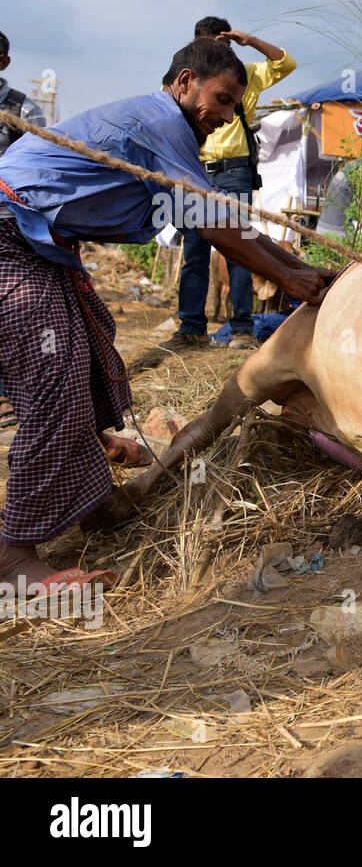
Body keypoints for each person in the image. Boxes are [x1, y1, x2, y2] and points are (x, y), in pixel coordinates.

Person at [0, 38, 334, 592]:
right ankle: (12, 557)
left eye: (234, 107)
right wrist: (291, 279)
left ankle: (91, 496)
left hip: (43, 244)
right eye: (222, 99)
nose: (225, 116)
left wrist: (298, 267)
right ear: (183, 82)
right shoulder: (162, 123)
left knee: (90, 347)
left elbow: (226, 219)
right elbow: (209, 218)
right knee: (55, 377)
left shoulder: (169, 130)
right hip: (10, 234)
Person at [163, 17, 298, 352]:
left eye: (217, 46)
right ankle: (191, 328)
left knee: (239, 248)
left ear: (227, 44)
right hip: (197, 170)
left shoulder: (246, 74)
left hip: (234, 171)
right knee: (194, 250)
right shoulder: (189, 80)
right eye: (203, 47)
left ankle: (241, 329)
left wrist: (249, 40)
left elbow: (286, 62)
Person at [0, 31, 49, 428]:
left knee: (12, 311)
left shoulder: (22, 110)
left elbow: (40, 167)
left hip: (7, 224)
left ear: (3, 63)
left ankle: (7, 394)